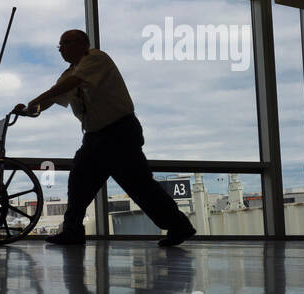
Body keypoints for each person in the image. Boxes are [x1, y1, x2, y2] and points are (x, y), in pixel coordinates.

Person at [11, 29, 196, 247]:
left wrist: (36, 100)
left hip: (119, 133)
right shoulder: (68, 73)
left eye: (65, 43)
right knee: (81, 181)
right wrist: (28, 110)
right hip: (96, 136)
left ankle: (178, 225)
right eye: (59, 45)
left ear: (81, 43)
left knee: (139, 186)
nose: (60, 48)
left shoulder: (96, 58)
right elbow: (50, 101)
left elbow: (67, 86)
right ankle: (72, 231)